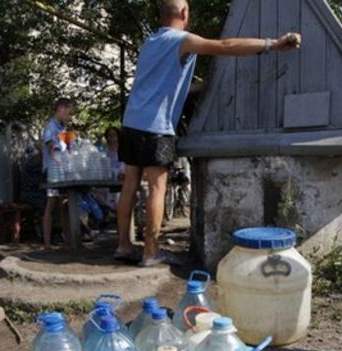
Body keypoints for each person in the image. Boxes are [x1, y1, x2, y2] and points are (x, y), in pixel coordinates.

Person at [115, 0, 301, 266]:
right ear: (184, 13)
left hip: (132, 122)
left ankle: (123, 246)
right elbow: (225, 46)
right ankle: (151, 252)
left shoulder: (151, 43)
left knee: (130, 184)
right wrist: (273, 44)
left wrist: (202, 87)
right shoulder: (182, 40)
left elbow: (167, 86)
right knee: (157, 186)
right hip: (156, 127)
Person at [41, 98, 76, 249]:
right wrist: (62, 158)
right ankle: (47, 243)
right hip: (54, 171)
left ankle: (69, 240)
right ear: (60, 109)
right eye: (69, 113)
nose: (70, 117)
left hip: (63, 170)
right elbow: (52, 148)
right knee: (51, 204)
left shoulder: (63, 129)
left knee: (64, 204)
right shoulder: (50, 127)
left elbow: (69, 149)